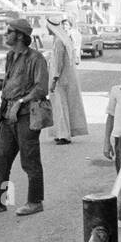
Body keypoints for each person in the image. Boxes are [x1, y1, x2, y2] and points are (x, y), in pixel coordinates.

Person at [0, 18, 49, 217]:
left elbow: (41, 88)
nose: (5, 34)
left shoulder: (36, 59)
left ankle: (35, 202)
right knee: (1, 161)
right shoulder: (11, 56)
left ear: (19, 35)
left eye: (8, 31)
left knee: (30, 161)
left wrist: (22, 101)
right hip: (8, 116)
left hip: (26, 116)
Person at [46, 14, 88, 145]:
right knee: (61, 107)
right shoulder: (63, 39)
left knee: (61, 107)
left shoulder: (59, 42)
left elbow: (58, 64)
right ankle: (61, 133)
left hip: (60, 80)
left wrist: (54, 80)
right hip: (65, 79)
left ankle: (64, 135)